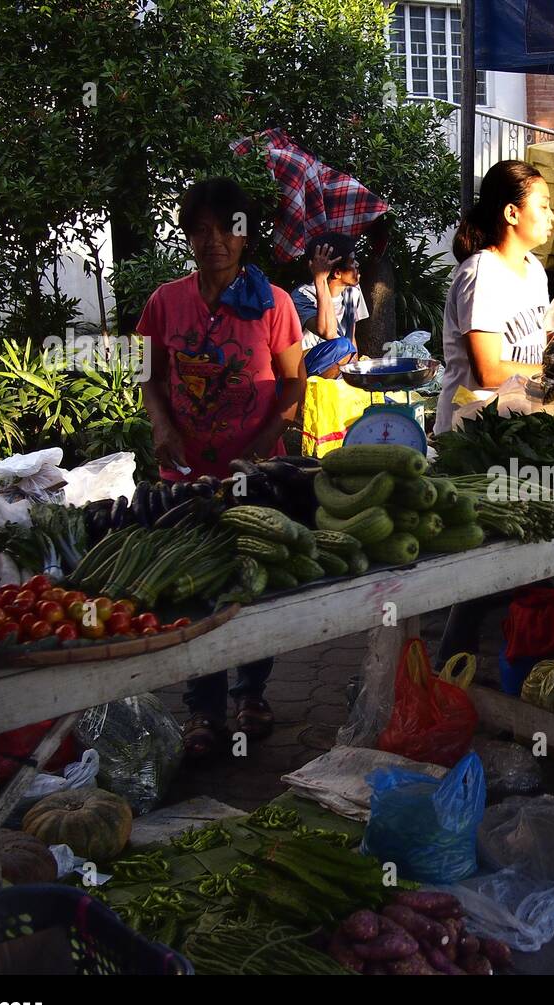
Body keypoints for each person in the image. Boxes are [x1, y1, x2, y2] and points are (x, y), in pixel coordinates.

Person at [137, 177, 305, 760]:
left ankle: (251, 694)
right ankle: (202, 709)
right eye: (200, 229)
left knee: (250, 584)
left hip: (255, 473)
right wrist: (161, 427)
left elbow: (292, 383)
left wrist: (262, 446)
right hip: (186, 477)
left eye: (226, 228)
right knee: (195, 590)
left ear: (245, 235)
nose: (214, 241)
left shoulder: (274, 304)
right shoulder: (164, 301)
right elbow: (150, 377)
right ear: (187, 235)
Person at [434, 160, 553, 436]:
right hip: (471, 431)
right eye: (543, 206)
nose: (551, 216)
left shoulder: (534, 268)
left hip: (514, 423)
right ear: (512, 213)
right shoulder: (481, 274)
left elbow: (536, 338)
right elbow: (487, 371)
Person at [292, 233, 369, 378]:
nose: (357, 265)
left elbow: (351, 337)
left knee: (348, 349)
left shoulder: (353, 292)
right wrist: (320, 279)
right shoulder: (302, 295)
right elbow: (328, 332)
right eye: (352, 261)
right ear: (338, 273)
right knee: (342, 346)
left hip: (339, 368)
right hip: (306, 370)